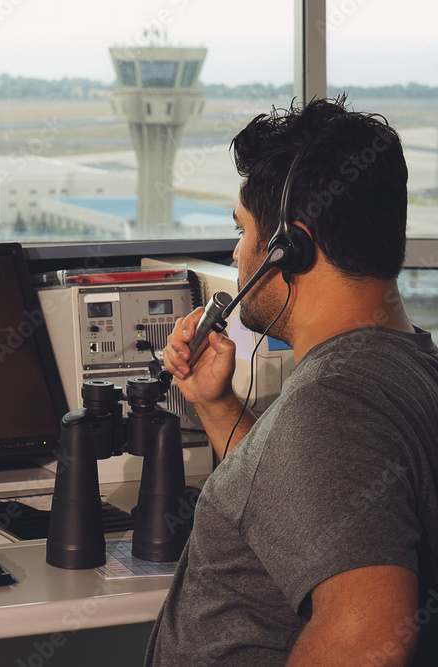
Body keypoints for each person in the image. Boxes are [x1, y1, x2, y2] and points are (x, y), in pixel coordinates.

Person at [145, 96, 438, 665]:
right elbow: (300, 499)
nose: (237, 253)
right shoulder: (406, 369)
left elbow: (369, 636)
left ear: (290, 247)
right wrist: (216, 404)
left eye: (242, 230)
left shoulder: (334, 402)